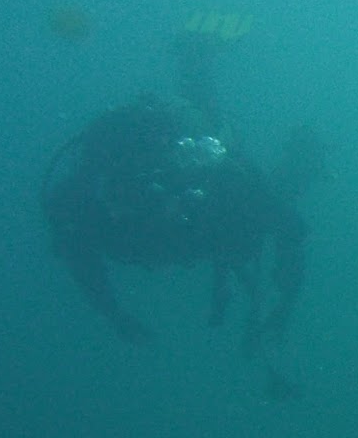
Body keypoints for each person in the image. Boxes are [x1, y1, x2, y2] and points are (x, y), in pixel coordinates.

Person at [43, 28, 320, 349]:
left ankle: (196, 58)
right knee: (222, 148)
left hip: (209, 187)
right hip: (193, 201)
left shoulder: (215, 182)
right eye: (128, 196)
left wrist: (285, 304)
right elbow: (75, 250)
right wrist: (113, 314)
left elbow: (289, 225)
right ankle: (195, 57)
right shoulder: (91, 211)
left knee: (231, 163)